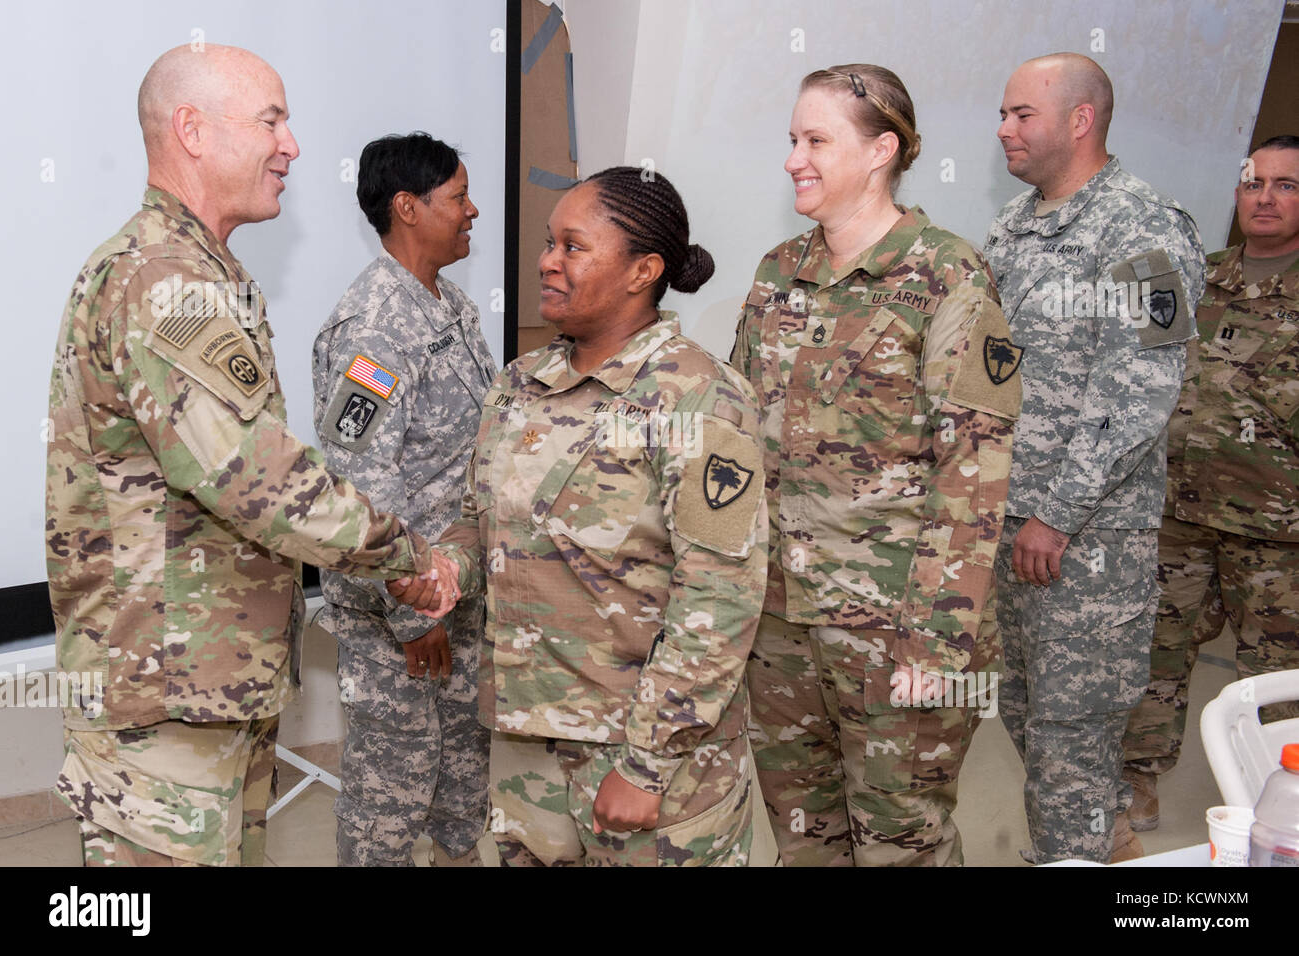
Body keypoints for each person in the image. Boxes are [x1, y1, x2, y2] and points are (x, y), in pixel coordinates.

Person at [44, 44, 444, 867]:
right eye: (272, 119)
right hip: (165, 694)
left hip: (209, 682)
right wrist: (408, 557)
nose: (293, 144)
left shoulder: (201, 271)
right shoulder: (165, 279)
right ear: (192, 130)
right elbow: (254, 478)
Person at [404, 166, 768, 866]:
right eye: (548, 243)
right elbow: (478, 521)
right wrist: (450, 567)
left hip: (650, 760)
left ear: (643, 271)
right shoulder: (518, 384)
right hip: (525, 745)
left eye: (573, 246)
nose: (546, 260)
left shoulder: (698, 397)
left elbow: (722, 595)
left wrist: (648, 764)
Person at [731, 64, 1021, 867]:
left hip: (896, 625)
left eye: (816, 140)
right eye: (792, 139)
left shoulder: (946, 275)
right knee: (802, 834)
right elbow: (738, 440)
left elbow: (974, 471)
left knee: (901, 841)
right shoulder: (776, 272)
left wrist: (935, 640)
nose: (794, 157)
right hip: (782, 619)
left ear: (881, 150)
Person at [984, 52, 1205, 863]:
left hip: (1085, 542)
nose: (1004, 129)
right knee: (1023, 708)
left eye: (1021, 115)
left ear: (1080, 120)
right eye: (1003, 114)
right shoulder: (1013, 226)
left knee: (1071, 729)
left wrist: (1057, 512)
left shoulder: (1143, 228)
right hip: (1009, 524)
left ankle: (1074, 850)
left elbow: (1138, 391)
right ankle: (1101, 837)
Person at [312, 133, 495, 866]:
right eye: (458, 197)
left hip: (456, 595)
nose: (473, 210)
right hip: (401, 614)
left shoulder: (447, 303)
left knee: (460, 785)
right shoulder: (374, 327)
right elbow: (358, 487)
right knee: (390, 799)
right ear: (407, 208)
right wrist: (411, 611)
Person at [1122, 135, 1299, 830]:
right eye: (1255, 182)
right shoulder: (1192, 277)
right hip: (1175, 517)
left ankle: (1279, 805)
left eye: (1287, 185)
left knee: (1280, 681)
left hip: (1279, 537)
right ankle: (1136, 784)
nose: (1266, 196)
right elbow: (1130, 367)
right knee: (1152, 658)